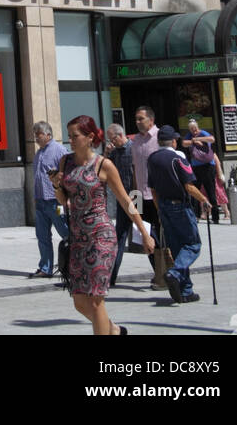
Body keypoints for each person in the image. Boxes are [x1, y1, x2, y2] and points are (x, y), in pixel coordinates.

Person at [51, 115, 154, 337]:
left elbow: (127, 201)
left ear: (89, 137)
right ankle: (114, 330)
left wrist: (144, 233)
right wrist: (57, 184)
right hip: (78, 238)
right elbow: (62, 200)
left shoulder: (103, 165)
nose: (70, 140)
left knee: (96, 301)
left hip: (101, 237)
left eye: (75, 136)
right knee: (80, 302)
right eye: (69, 136)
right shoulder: (65, 162)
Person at [148, 124, 212, 304]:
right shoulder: (178, 158)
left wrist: (159, 208)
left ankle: (185, 289)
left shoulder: (152, 159)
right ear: (174, 141)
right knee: (192, 245)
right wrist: (204, 200)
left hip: (164, 206)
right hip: (179, 206)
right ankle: (175, 273)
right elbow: (189, 186)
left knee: (177, 249)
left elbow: (152, 188)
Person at [131, 104, 167, 289]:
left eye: (141, 119)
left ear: (151, 120)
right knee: (145, 235)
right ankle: (158, 272)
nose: (137, 122)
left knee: (161, 235)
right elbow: (135, 170)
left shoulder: (160, 137)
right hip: (140, 195)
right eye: (136, 119)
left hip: (157, 195)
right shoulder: (135, 141)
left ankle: (165, 274)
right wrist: (134, 200)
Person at [29, 121, 68, 278]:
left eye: (38, 135)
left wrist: (66, 196)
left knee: (65, 232)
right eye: (35, 136)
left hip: (55, 200)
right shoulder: (39, 153)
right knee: (42, 235)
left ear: (48, 135)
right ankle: (45, 267)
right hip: (41, 200)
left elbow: (66, 173)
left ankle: (74, 264)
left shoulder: (59, 150)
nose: (36, 139)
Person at [104, 124, 135, 289]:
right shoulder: (115, 153)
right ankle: (111, 276)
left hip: (135, 195)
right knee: (120, 235)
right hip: (121, 197)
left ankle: (161, 271)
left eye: (112, 139)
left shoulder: (133, 149)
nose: (111, 142)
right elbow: (103, 169)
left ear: (120, 135)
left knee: (143, 232)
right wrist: (107, 153)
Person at [182, 118, 219, 224]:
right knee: (195, 191)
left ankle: (215, 216)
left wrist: (200, 139)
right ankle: (196, 215)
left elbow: (212, 139)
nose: (193, 130)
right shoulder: (190, 135)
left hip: (208, 165)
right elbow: (184, 143)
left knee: (210, 190)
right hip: (196, 166)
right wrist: (194, 141)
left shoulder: (203, 133)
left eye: (195, 128)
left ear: (197, 127)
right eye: (191, 129)